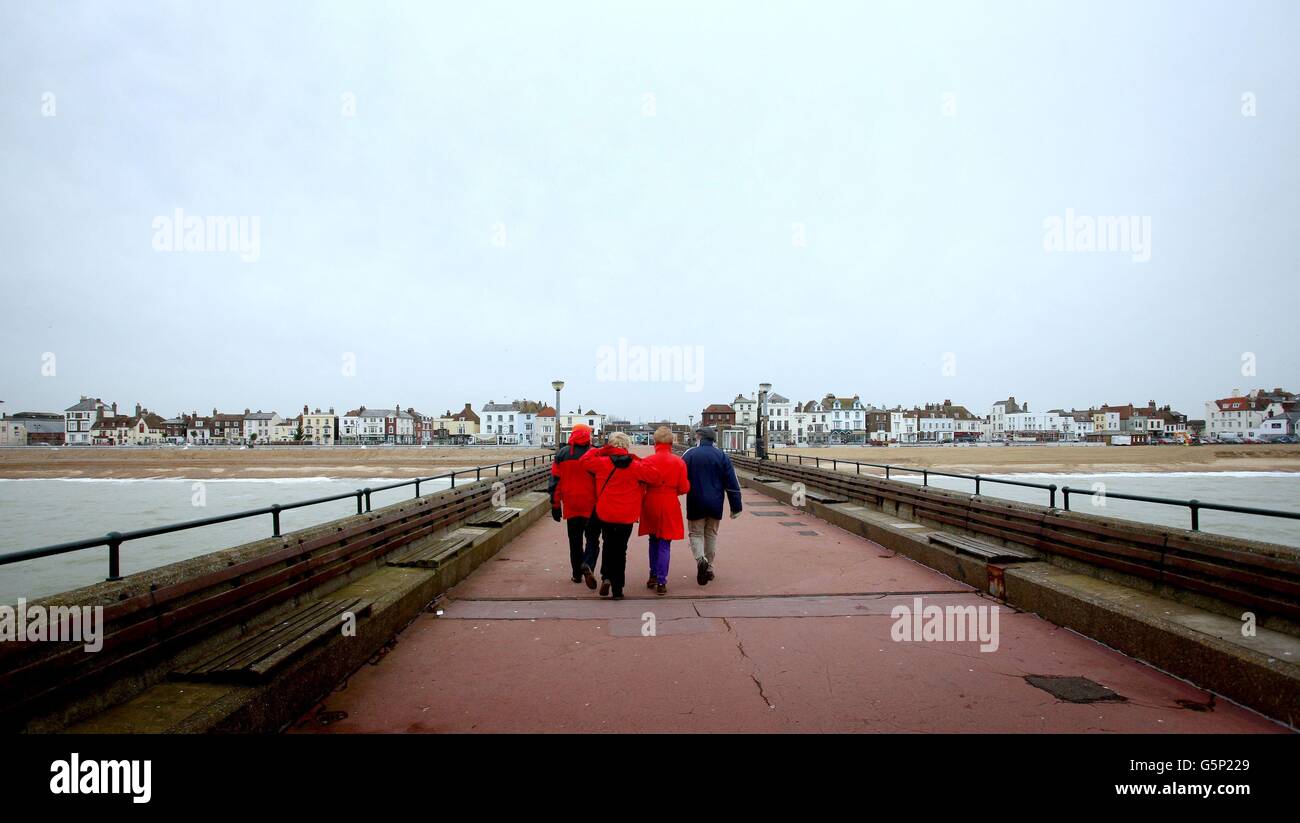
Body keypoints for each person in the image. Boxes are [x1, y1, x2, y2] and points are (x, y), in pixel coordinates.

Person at [580, 431, 660, 600]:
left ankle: (607, 577)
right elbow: (655, 476)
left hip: (606, 512)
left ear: (610, 445)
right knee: (620, 549)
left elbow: (584, 461)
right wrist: (636, 458)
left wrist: (600, 450)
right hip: (627, 514)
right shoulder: (635, 465)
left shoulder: (602, 463)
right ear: (626, 446)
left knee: (608, 544)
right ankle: (617, 588)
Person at [681, 426, 742, 585]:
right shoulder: (722, 455)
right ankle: (709, 567)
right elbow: (732, 482)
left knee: (695, 533)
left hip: (695, 501)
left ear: (699, 437)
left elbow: (679, 475)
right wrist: (736, 506)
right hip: (716, 502)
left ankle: (701, 560)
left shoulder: (690, 454)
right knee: (711, 534)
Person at [637, 426, 690, 595]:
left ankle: (653, 574)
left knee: (653, 539)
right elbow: (684, 487)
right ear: (671, 442)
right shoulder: (679, 462)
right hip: (669, 502)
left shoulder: (647, 461)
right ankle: (662, 580)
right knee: (665, 542)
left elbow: (641, 483)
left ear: (655, 441)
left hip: (651, 501)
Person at [547, 422, 601, 585]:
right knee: (592, 539)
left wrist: (555, 505)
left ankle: (577, 574)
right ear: (588, 435)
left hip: (571, 505)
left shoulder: (562, 454)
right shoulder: (595, 454)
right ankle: (588, 564)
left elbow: (555, 482)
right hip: (592, 505)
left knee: (574, 541)